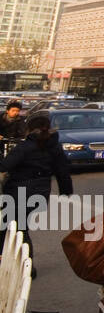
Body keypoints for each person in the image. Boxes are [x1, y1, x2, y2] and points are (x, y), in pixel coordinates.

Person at [0, 114, 73, 277]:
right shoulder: (54, 147)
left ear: (30, 129)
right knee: (16, 227)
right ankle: (17, 263)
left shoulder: (25, 147)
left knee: (16, 229)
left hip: (18, 194)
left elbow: (5, 165)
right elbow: (62, 171)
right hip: (39, 194)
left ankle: (28, 268)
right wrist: (66, 191)